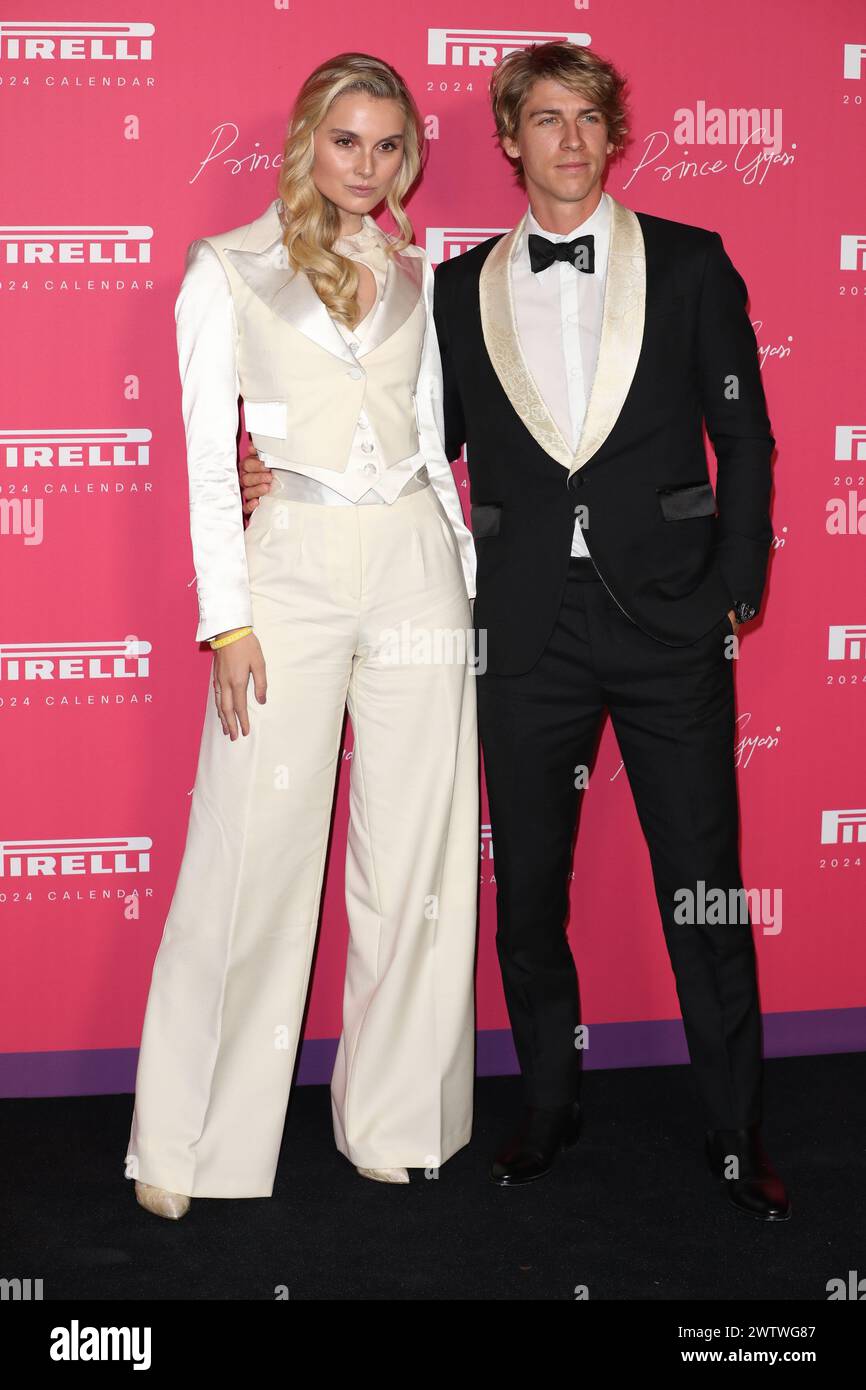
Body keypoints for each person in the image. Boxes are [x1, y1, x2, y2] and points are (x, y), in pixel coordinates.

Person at [243, 38, 790, 1222]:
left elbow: (743, 434)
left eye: (589, 118)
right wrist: (274, 471)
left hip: (666, 625)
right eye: (545, 119)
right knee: (528, 891)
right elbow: (396, 434)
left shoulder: (692, 264)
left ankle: (736, 1130)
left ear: (612, 133)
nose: (570, 141)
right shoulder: (451, 287)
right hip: (523, 630)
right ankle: (547, 1109)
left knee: (701, 885)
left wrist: (733, 583)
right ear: (507, 139)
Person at [126, 52, 479, 1220]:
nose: (367, 167)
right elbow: (200, 466)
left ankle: (397, 1120)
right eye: (347, 142)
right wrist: (224, 620)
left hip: (417, 568)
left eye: (387, 147)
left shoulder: (422, 270)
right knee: (250, 852)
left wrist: (463, 583)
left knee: (416, 862)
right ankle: (189, 1146)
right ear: (307, 142)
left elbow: (433, 444)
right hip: (289, 573)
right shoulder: (224, 270)